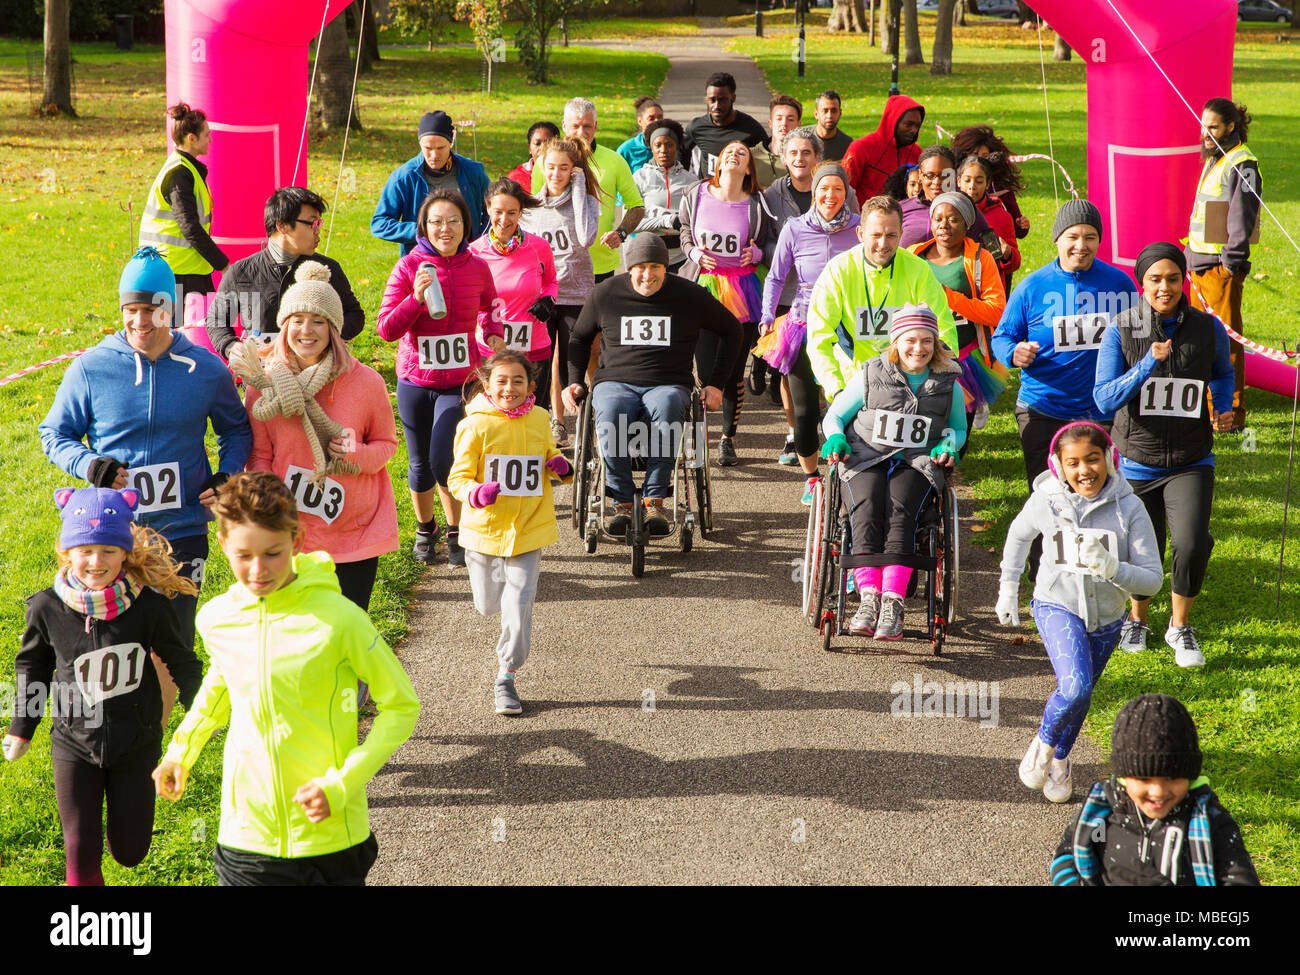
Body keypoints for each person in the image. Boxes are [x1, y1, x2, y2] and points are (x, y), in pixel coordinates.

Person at [152, 472, 420, 887]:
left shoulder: (340, 619)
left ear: (297, 541)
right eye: (244, 555)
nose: (258, 570)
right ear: (222, 545)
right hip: (246, 837)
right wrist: (180, 752)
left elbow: (402, 706)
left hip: (331, 841)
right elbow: (222, 684)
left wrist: (343, 783)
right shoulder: (217, 619)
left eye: (273, 553)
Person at [39, 247, 251, 725]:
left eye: (151, 309)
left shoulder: (206, 369)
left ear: (170, 308)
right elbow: (53, 433)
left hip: (183, 530)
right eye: (130, 311)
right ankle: (113, 735)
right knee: (117, 643)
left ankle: (149, 744)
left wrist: (226, 474)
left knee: (169, 640)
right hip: (113, 532)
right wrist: (90, 464)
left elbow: (236, 428)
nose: (141, 321)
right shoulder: (92, 368)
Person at [3, 487, 203, 886]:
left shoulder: (148, 606)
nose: (96, 562)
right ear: (66, 552)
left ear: (126, 553)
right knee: (79, 849)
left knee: (130, 852)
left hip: (137, 743)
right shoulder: (45, 607)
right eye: (86, 550)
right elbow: (33, 666)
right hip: (72, 744)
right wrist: (21, 727)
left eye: (109, 551)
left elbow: (182, 661)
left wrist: (202, 714)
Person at [997, 423, 1163, 803]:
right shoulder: (1047, 500)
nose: (1084, 470)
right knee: (1074, 687)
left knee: (1082, 695)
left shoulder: (1131, 507)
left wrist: (1112, 568)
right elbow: (1019, 534)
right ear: (1058, 466)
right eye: (1073, 463)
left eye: (1092, 459)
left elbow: (1152, 580)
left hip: (1108, 617)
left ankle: (1061, 758)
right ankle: (1043, 744)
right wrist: (1008, 587)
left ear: (1109, 459)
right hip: (1057, 604)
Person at [1094, 242, 1235, 668]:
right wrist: (1145, 366)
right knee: (1144, 546)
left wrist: (1222, 406)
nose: (1165, 287)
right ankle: (1136, 620)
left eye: (1173, 278)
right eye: (1155, 279)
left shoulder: (1207, 328)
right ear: (1142, 283)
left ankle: (1180, 625)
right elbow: (1103, 399)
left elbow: (1223, 372)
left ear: (1183, 281)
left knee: (1191, 543)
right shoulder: (1120, 329)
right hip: (1137, 459)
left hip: (1192, 459)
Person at [236, 261, 398, 614]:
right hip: (292, 534)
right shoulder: (263, 385)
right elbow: (259, 457)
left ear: (334, 329)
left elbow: (386, 445)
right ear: (283, 326)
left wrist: (353, 454)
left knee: (347, 635)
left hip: (354, 532)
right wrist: (265, 513)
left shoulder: (366, 382)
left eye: (318, 321)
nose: (306, 330)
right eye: (297, 320)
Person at [991, 199, 1135, 581]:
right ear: (1057, 239)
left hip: (1102, 411)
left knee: (1101, 493)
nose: (1081, 245)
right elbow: (1001, 337)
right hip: (1044, 408)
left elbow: (1139, 333)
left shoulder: (1120, 284)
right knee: (1050, 497)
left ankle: (1100, 574)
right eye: (1072, 236)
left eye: (1090, 237)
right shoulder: (1033, 286)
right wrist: (1014, 352)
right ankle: (1047, 575)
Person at [562, 234, 741, 535]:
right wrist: (574, 381)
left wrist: (716, 384)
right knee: (611, 407)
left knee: (668, 405)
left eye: (655, 266)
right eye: (641, 267)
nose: (648, 275)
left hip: (668, 382)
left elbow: (733, 330)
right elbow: (578, 338)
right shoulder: (606, 293)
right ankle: (621, 502)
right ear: (629, 268)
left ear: (665, 266)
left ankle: (654, 500)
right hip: (615, 381)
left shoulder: (689, 295)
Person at [820, 304, 967, 640]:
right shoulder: (872, 373)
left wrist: (949, 445)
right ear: (896, 341)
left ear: (935, 343)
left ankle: (893, 602)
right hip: (865, 455)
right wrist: (837, 437)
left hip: (915, 459)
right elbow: (835, 416)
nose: (919, 348)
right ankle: (868, 598)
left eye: (926, 341)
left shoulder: (948, 383)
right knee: (867, 506)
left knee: (902, 510)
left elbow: (958, 429)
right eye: (911, 340)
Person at [377, 189, 502, 568]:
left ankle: (455, 532)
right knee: (418, 463)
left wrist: (493, 332)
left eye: (453, 221)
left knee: (442, 457)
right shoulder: (407, 267)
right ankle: (424, 528)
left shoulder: (478, 266)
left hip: (460, 380)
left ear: (466, 225)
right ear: (424, 227)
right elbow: (386, 329)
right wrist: (415, 299)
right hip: (416, 379)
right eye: (436, 222)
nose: (444, 229)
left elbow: (490, 306)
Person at [448, 350, 574, 716]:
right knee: (488, 605)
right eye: (501, 381)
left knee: (517, 608)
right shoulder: (475, 425)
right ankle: (496, 603)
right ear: (486, 385)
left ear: (531, 385)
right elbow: (458, 477)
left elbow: (552, 460)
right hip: (483, 531)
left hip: (529, 529)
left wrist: (560, 467)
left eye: (518, 381)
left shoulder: (540, 419)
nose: (509, 388)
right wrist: (475, 492)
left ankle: (506, 677)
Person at [1050, 694, 1259, 885]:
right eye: (1143, 778)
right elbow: (1066, 857)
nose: (1158, 791)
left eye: (1172, 778)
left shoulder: (1210, 820)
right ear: (1123, 776)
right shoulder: (1101, 811)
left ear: (1190, 775)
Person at [760, 161, 860, 503]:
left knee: (848, 403)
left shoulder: (860, 229)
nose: (830, 195)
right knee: (805, 412)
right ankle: (812, 477)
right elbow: (775, 277)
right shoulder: (795, 228)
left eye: (837, 188)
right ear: (814, 192)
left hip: (850, 329)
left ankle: (846, 466)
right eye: (823, 189)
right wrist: (767, 316)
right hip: (803, 326)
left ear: (846, 192)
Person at [806, 195, 958, 400]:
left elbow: (943, 327)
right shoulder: (838, 270)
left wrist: (934, 380)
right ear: (860, 233)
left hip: (907, 385)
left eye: (891, 235)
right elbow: (818, 337)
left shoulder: (918, 269)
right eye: (875, 235)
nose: (882, 244)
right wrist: (837, 389)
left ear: (901, 234)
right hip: (853, 384)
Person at [679, 140, 773, 466]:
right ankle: (698, 435)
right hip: (704, 287)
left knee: (732, 369)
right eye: (728, 151)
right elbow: (683, 231)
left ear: (748, 167)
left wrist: (758, 254)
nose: (734, 154)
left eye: (742, 153)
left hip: (742, 289)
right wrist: (693, 253)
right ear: (719, 162)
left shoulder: (756, 204)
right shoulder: (697, 193)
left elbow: (768, 241)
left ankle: (727, 439)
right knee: (705, 370)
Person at [205, 186, 364, 360]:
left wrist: (325, 338)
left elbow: (354, 315)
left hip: (317, 373)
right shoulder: (241, 272)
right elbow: (216, 319)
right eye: (312, 224)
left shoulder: (327, 269)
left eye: (319, 223)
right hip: (262, 376)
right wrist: (231, 346)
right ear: (282, 226)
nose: (318, 231)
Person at [1185, 98, 1262, 433]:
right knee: (1200, 341)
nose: (1205, 133)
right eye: (1203, 126)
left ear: (1231, 126)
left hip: (1220, 269)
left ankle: (1229, 415)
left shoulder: (1242, 163)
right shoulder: (1217, 157)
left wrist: (1231, 265)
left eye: (1213, 127)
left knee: (1224, 345)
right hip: (1199, 266)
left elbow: (1241, 218)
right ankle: (1203, 408)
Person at [519, 138, 601, 445]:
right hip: (542, 297)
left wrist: (579, 187)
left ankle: (584, 421)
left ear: (573, 170)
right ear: (541, 165)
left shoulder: (586, 200)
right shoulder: (530, 207)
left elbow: (586, 235)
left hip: (576, 293)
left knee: (572, 362)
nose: (556, 174)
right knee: (541, 362)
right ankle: (552, 420)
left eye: (564, 168)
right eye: (551, 167)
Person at [906, 190, 1008, 433]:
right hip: (919, 355)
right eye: (938, 219)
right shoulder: (913, 255)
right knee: (923, 425)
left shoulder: (980, 259)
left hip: (963, 358)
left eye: (953, 219)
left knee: (958, 429)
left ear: (966, 224)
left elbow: (996, 312)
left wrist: (947, 297)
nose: (944, 226)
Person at [531, 98, 644, 285]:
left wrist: (621, 233)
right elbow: (536, 211)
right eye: (575, 126)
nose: (581, 133)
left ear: (596, 126)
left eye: (587, 126)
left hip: (599, 265)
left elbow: (636, 206)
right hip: (557, 266)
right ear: (564, 125)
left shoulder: (614, 161)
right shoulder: (545, 162)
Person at [470, 179, 560, 412]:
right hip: (490, 350)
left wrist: (548, 300)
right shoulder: (474, 252)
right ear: (488, 208)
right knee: (492, 416)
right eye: (498, 212)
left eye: (512, 212)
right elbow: (469, 297)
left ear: (521, 212)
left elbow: (551, 281)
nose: (504, 220)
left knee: (533, 413)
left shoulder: (539, 247)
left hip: (534, 346)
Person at [138, 102, 229, 325]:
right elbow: (190, 227)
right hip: (177, 271)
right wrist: (223, 264)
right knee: (174, 333)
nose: (210, 139)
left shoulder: (187, 169)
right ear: (191, 138)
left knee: (189, 332)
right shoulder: (180, 174)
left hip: (186, 268)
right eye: (206, 134)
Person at [371, 110, 491, 255]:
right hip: (421, 261)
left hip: (467, 258)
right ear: (419, 143)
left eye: (441, 148)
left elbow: (493, 210)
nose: (434, 155)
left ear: (451, 140)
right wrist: (421, 230)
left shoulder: (473, 171)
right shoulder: (403, 177)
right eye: (427, 148)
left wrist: (480, 243)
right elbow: (379, 224)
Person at [899, 145, 995, 250]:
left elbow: (994, 253)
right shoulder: (902, 209)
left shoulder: (967, 208)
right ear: (920, 176)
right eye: (930, 176)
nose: (937, 182)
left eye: (944, 176)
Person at [632, 118, 694, 271]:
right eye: (658, 145)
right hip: (649, 256)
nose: (663, 150)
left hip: (683, 257)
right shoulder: (639, 178)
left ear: (677, 146)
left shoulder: (692, 180)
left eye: (669, 145)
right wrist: (666, 220)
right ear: (651, 148)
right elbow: (630, 225)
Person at [681, 71, 769, 180]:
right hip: (708, 193)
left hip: (739, 193)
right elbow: (681, 150)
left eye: (722, 100)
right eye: (712, 100)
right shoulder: (697, 127)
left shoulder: (751, 129)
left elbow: (768, 157)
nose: (716, 106)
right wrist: (684, 178)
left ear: (733, 98)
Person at [949, 124, 1030, 238]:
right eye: (974, 154)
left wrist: (1022, 225)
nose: (980, 160)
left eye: (985, 155)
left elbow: (1016, 228)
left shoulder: (1001, 187)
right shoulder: (952, 186)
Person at [842, 94, 925, 204]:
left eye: (917, 126)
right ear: (893, 121)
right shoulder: (861, 148)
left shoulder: (918, 154)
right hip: (864, 217)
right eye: (908, 124)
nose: (913, 130)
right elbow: (843, 189)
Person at [956, 154, 1020, 292]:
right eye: (967, 180)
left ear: (987, 183)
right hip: (956, 287)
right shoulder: (948, 211)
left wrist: (1008, 254)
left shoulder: (1002, 216)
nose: (972, 186)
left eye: (979, 181)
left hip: (990, 290)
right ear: (958, 181)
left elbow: (1015, 262)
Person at [751, 94, 802, 188]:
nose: (784, 124)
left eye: (790, 119)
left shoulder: (805, 159)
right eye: (779, 119)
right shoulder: (751, 156)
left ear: (798, 125)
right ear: (770, 123)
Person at [616, 96, 664, 175]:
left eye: (660, 117)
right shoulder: (626, 150)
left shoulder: (672, 146)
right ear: (640, 121)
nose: (657, 122)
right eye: (651, 119)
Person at [506, 120, 559, 189]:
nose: (543, 148)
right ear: (529, 149)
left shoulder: (566, 174)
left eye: (548, 143)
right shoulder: (515, 178)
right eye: (537, 144)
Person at [813, 89, 854, 162]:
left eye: (834, 111)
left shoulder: (848, 145)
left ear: (840, 113)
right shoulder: (802, 138)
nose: (829, 116)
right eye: (825, 111)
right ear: (816, 114)